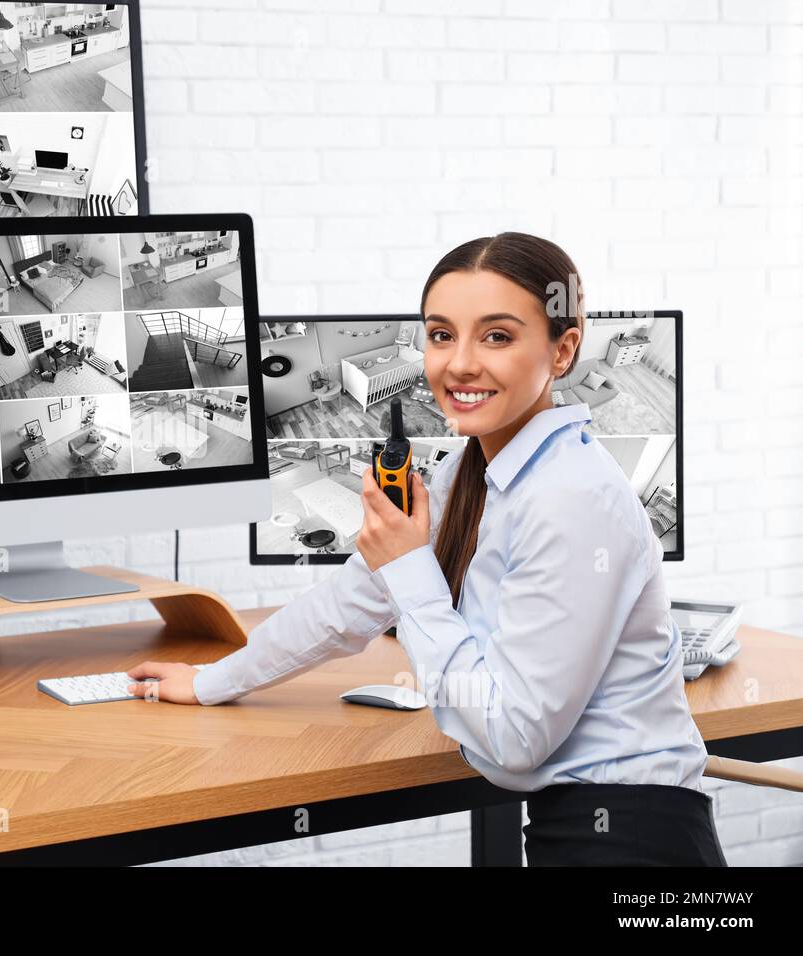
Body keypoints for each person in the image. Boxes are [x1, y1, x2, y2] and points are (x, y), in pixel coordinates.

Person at [127, 232, 726, 866]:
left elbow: (513, 737)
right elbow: (351, 600)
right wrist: (213, 681)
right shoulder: (469, 472)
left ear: (562, 349)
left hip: (631, 841)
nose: (459, 364)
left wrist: (411, 570)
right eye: (442, 335)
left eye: (497, 336)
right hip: (576, 826)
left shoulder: (572, 498)